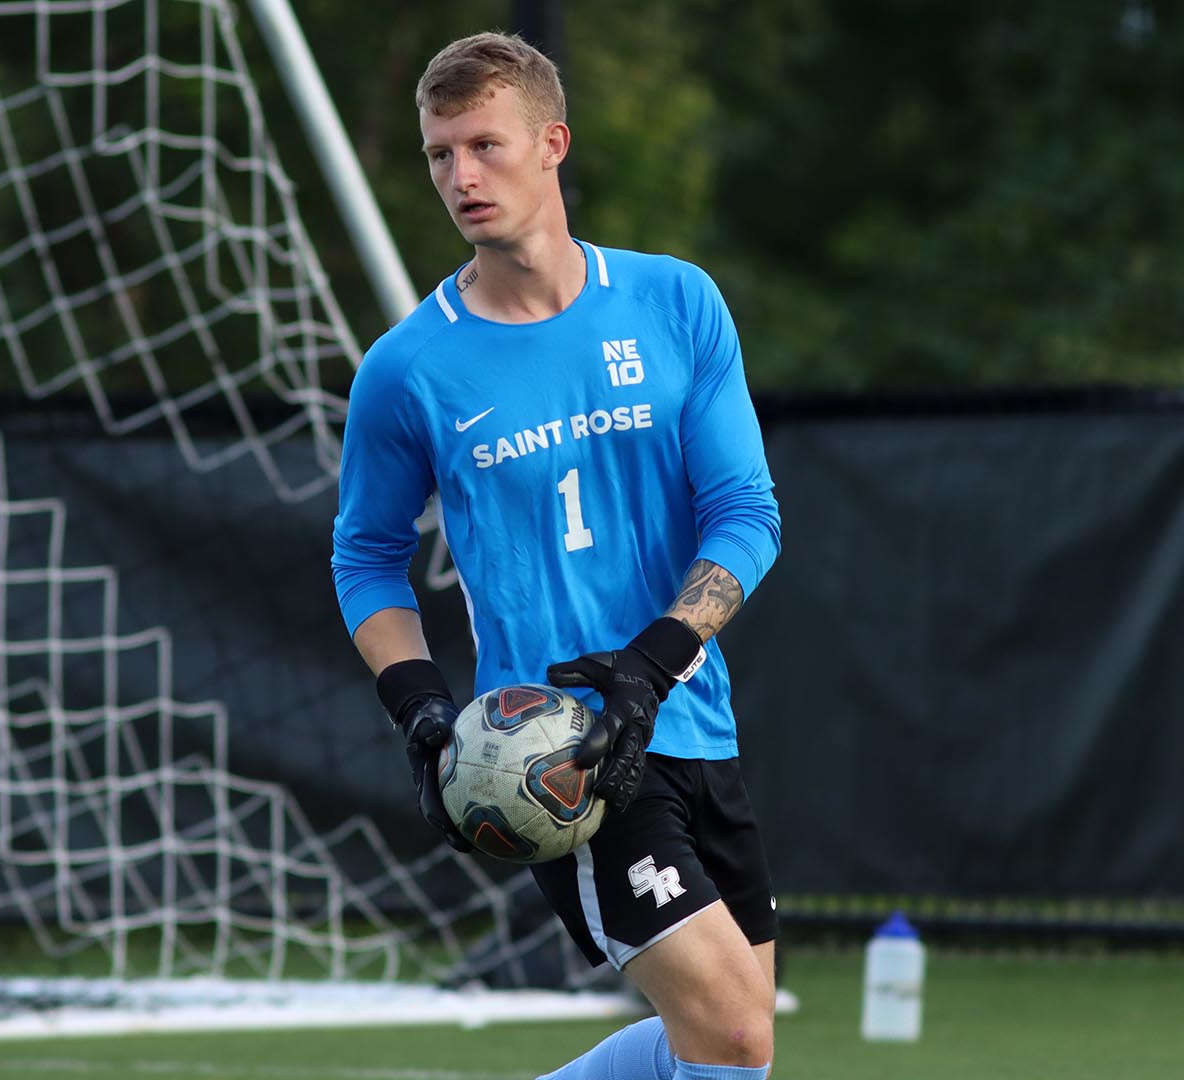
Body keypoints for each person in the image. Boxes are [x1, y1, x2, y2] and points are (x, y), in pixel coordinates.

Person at [330, 31, 781, 1080]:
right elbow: (366, 559)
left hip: (689, 717)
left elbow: (745, 513)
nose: (461, 177)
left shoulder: (676, 304)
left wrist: (654, 660)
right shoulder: (407, 371)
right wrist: (421, 709)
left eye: (485, 145)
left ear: (553, 145)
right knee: (733, 1034)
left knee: (729, 1052)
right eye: (440, 154)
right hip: (556, 759)